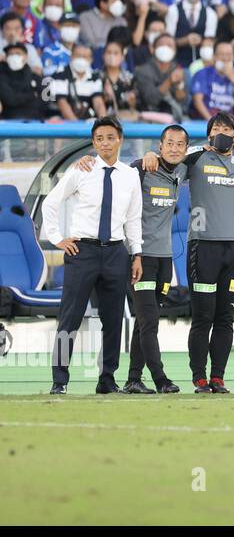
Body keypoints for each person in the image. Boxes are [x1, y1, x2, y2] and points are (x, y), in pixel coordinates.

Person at [138, 112, 234, 392]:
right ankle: (199, 377)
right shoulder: (195, 159)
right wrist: (149, 154)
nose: (220, 132)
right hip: (202, 248)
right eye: (215, 128)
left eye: (226, 129)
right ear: (209, 134)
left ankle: (218, 377)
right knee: (203, 317)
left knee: (226, 317)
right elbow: (167, 158)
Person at [41, 116, 142, 394]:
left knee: (113, 321)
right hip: (82, 251)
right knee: (69, 318)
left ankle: (107, 379)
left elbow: (133, 218)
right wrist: (58, 239)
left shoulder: (130, 175)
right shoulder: (80, 170)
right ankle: (59, 381)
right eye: (99, 139)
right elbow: (50, 203)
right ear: (94, 142)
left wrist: (137, 253)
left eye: (110, 137)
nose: (105, 143)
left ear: (119, 139)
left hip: (115, 254)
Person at [124, 124, 187, 394]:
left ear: (185, 149)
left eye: (179, 144)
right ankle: (161, 379)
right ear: (160, 146)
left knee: (145, 320)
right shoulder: (142, 168)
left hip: (164, 260)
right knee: (149, 320)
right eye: (168, 143)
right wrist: (143, 158)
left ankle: (133, 379)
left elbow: (209, 153)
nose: (174, 148)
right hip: (140, 259)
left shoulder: (184, 169)